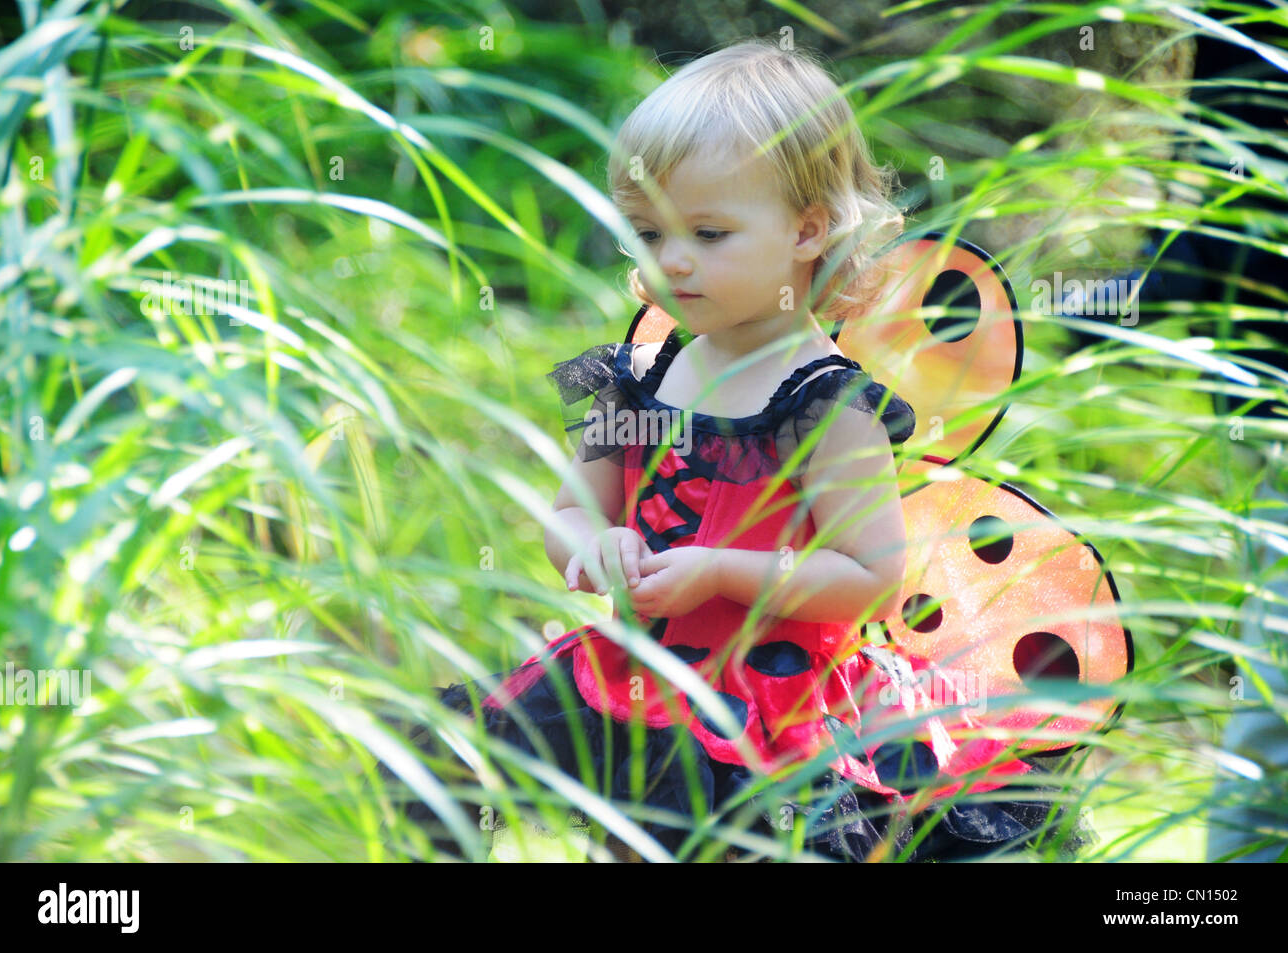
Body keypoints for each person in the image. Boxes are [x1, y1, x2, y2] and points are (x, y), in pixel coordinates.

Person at [386, 38, 1091, 862]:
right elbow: (571, 515)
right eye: (649, 231)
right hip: (631, 678)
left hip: (772, 707)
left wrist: (721, 571)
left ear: (807, 229)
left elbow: (867, 578)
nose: (672, 259)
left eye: (709, 233)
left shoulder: (823, 406)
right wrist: (599, 547)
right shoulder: (638, 379)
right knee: (462, 772)